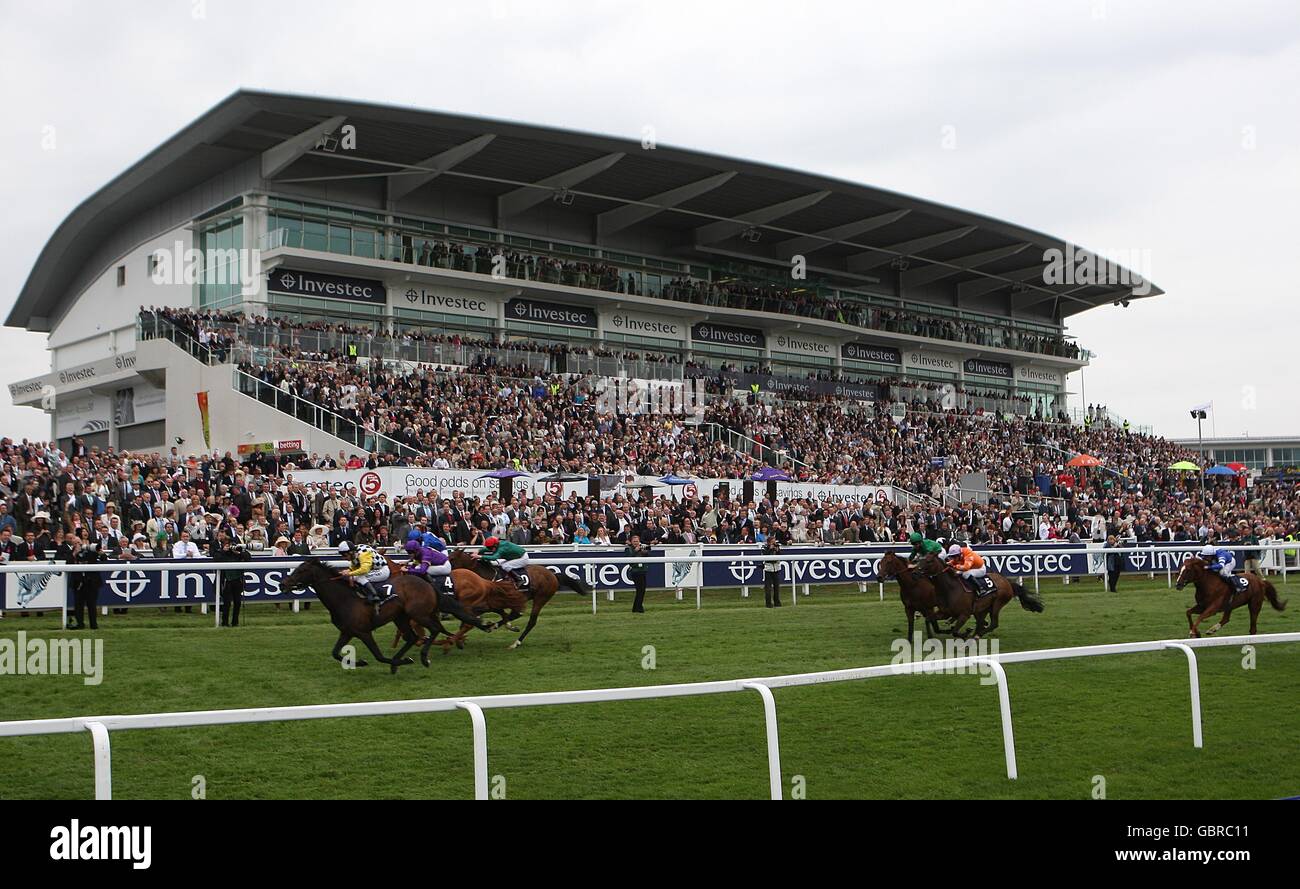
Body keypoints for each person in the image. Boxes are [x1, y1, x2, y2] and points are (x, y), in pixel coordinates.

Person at [401, 538, 491, 631]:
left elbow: (422, 570)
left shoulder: (425, 553)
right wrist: (409, 566)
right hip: (436, 564)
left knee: (422, 571)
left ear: (416, 550)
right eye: (408, 552)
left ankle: (434, 591)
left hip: (445, 566)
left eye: (411, 552)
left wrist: (408, 570)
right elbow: (416, 563)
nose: (410, 554)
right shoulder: (419, 552)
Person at [339, 540, 389, 613]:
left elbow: (364, 570)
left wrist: (349, 573)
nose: (344, 558)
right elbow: (355, 565)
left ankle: (375, 595)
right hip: (374, 570)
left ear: (351, 552)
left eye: (345, 555)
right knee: (357, 576)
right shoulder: (355, 552)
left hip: (382, 571)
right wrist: (348, 570)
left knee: (359, 577)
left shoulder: (363, 553)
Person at [213, 531, 247, 627]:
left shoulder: (237, 552)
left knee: (237, 602)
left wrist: (240, 552)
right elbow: (216, 559)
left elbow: (248, 558)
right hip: (226, 581)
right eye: (228, 545)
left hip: (237, 580)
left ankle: (235, 622)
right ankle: (224, 622)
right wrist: (224, 551)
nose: (230, 546)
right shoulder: (220, 552)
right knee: (226, 603)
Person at [624, 534, 649, 613]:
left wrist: (644, 551)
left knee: (642, 590)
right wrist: (635, 551)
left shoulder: (642, 548)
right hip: (635, 571)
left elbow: (648, 554)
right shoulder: (629, 549)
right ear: (631, 542)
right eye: (634, 541)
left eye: (637, 541)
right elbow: (629, 558)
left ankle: (636, 607)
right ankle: (638, 608)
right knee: (640, 590)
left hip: (643, 570)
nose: (636, 543)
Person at [762, 534, 783, 608]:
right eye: (772, 542)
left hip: (776, 568)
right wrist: (770, 549)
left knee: (776, 587)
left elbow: (781, 555)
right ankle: (768, 603)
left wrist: (777, 550)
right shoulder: (764, 547)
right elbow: (765, 556)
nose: (774, 543)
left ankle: (777, 602)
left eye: (774, 542)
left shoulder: (777, 547)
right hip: (768, 569)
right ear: (768, 542)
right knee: (768, 587)